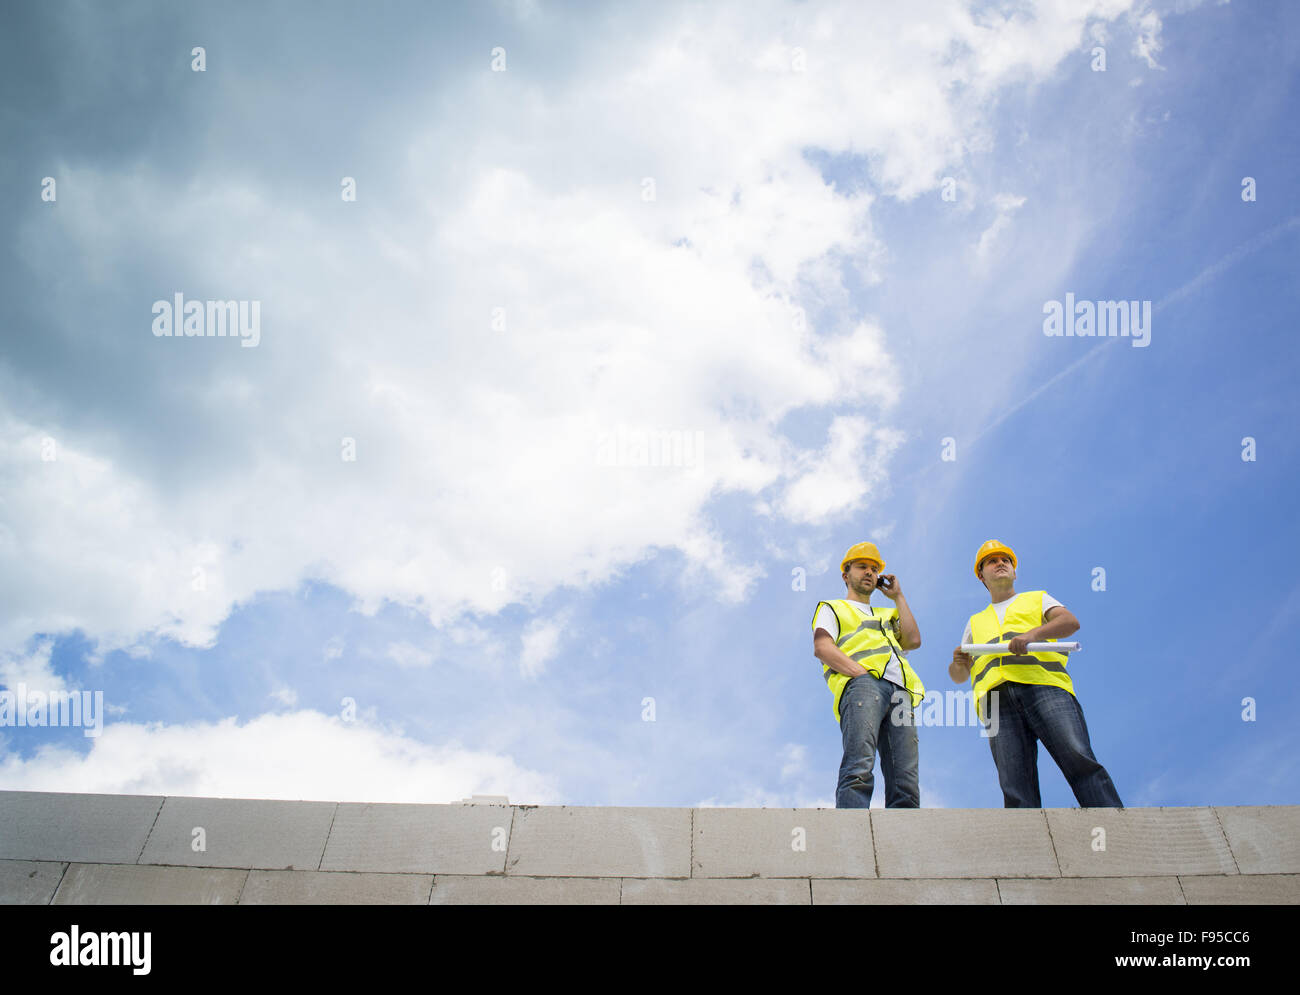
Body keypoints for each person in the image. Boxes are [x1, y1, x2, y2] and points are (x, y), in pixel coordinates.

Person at [950, 540, 1122, 808]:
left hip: (1044, 688)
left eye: (1005, 560)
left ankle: (1113, 827)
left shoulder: (1037, 599)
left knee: (1078, 758)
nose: (1000, 564)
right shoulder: (975, 622)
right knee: (1014, 784)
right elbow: (959, 676)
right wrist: (958, 663)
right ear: (981, 576)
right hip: (996, 702)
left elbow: (1069, 622)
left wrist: (1032, 635)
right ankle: (1028, 844)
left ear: (1014, 572)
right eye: (992, 561)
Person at [811, 542, 925, 808]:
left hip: (900, 693)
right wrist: (861, 675)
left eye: (874, 569)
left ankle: (902, 842)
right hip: (863, 686)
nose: (869, 573)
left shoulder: (887, 613)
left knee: (906, 780)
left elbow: (913, 641)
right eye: (862, 566)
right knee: (859, 767)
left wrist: (898, 597)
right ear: (845, 574)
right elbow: (822, 647)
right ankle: (851, 837)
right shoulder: (832, 607)